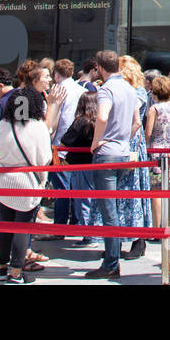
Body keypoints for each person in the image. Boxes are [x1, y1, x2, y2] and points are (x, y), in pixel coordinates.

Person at [86, 50, 139, 280]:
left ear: (99, 67)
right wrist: (123, 139)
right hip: (124, 153)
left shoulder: (106, 89)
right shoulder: (129, 88)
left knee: (108, 211)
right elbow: (137, 121)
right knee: (114, 208)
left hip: (107, 153)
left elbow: (102, 117)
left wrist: (96, 142)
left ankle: (111, 262)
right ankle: (112, 259)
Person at [0, 84, 53, 284]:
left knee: (5, 226)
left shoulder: (2, 124)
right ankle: (16, 271)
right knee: (22, 227)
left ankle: (1, 267)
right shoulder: (37, 126)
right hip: (28, 180)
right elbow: (45, 157)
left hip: (3, 180)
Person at [115, 55, 152, 260]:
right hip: (122, 143)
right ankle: (117, 239)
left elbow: (133, 118)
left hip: (131, 146)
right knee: (119, 193)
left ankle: (139, 239)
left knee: (134, 191)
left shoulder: (137, 92)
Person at [144, 76, 170, 234]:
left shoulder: (154, 109)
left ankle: (157, 227)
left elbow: (148, 132)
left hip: (157, 151)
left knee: (156, 190)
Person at [49, 60, 86, 226]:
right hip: (79, 144)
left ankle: (60, 224)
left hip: (60, 144)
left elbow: (56, 119)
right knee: (76, 187)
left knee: (61, 189)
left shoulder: (57, 91)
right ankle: (76, 221)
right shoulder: (82, 91)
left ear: (56, 74)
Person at [61, 91, 104, 235]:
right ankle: (94, 230)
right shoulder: (101, 120)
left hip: (80, 164)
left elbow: (66, 140)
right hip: (97, 162)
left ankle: (88, 233)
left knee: (83, 199)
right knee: (94, 199)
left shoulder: (82, 121)